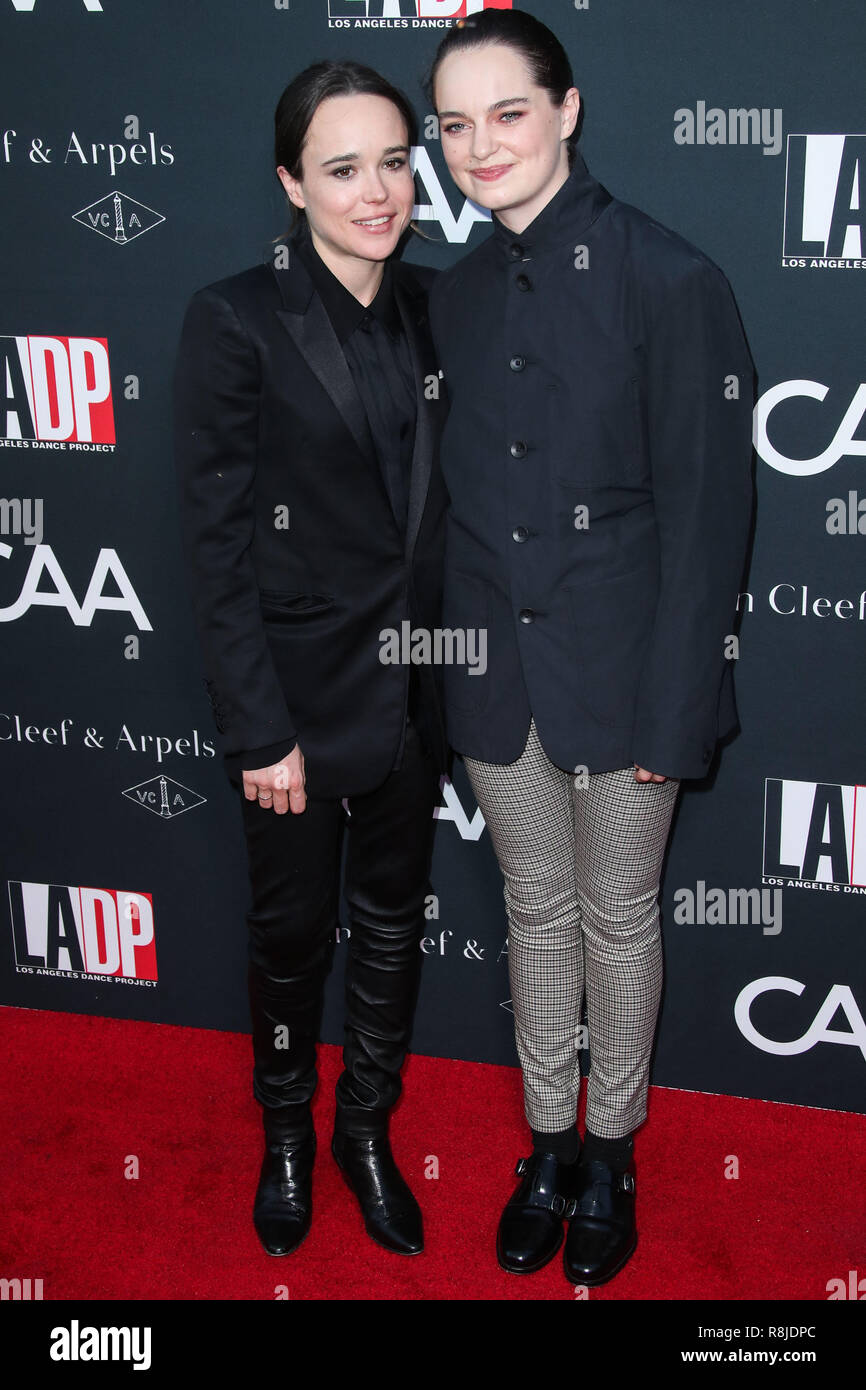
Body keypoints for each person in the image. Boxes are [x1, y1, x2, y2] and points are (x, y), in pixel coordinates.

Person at [426, 9, 754, 1286]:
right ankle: (546, 1144)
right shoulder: (448, 295)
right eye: (453, 124)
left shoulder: (670, 279)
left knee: (617, 922)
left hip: (628, 687)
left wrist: (676, 716)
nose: (478, 145)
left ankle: (610, 1156)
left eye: (506, 112)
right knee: (533, 913)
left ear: (566, 110)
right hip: (494, 684)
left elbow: (707, 523)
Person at [173, 60, 450, 1258]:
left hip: (418, 698)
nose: (376, 190)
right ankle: (287, 1134)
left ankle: (365, 1131)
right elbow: (216, 545)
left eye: (394, 159)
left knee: (391, 927)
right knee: (293, 940)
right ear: (292, 181)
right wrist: (257, 728)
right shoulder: (236, 316)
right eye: (342, 168)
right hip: (293, 711)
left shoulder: (443, 306)